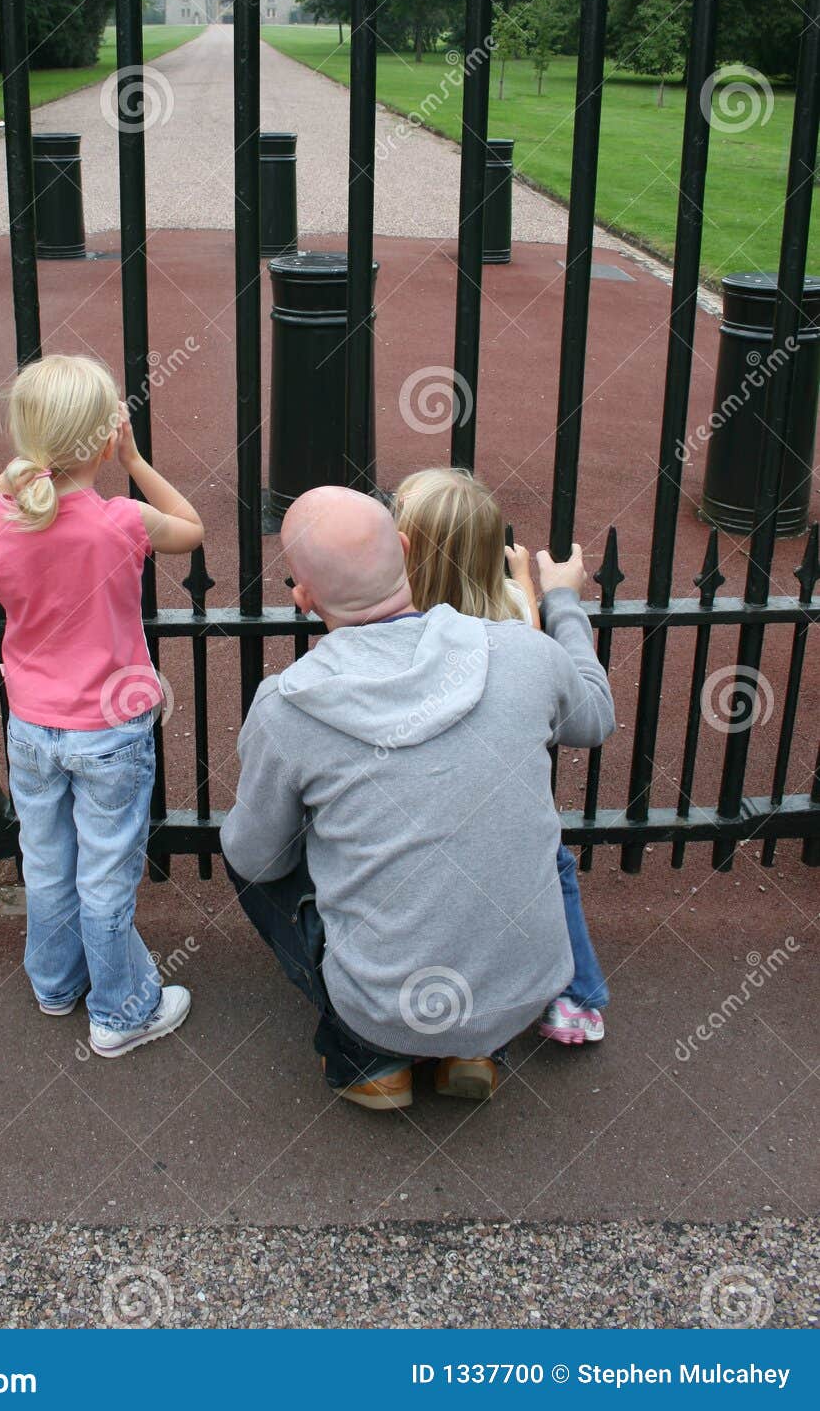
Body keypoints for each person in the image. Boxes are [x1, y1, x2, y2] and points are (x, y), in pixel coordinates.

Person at [220, 486, 614, 1111]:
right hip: (519, 993)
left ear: (303, 596)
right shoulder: (521, 652)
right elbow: (595, 719)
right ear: (403, 549)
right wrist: (562, 600)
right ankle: (473, 1048)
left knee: (246, 844)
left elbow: (258, 859)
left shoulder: (287, 705)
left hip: (384, 1009)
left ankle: (371, 1058)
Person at [0, 354, 203, 1060]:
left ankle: (56, 981)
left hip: (32, 724)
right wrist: (137, 458)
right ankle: (121, 1010)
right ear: (102, 438)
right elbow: (191, 527)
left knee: (47, 857)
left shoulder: (3, 527)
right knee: (106, 870)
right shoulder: (120, 520)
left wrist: (8, 479)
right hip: (110, 730)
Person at [393, 467, 609, 1047]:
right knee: (553, 866)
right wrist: (538, 588)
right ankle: (578, 995)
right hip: (508, 804)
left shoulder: (392, 612)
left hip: (418, 799)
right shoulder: (510, 604)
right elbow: (535, 652)